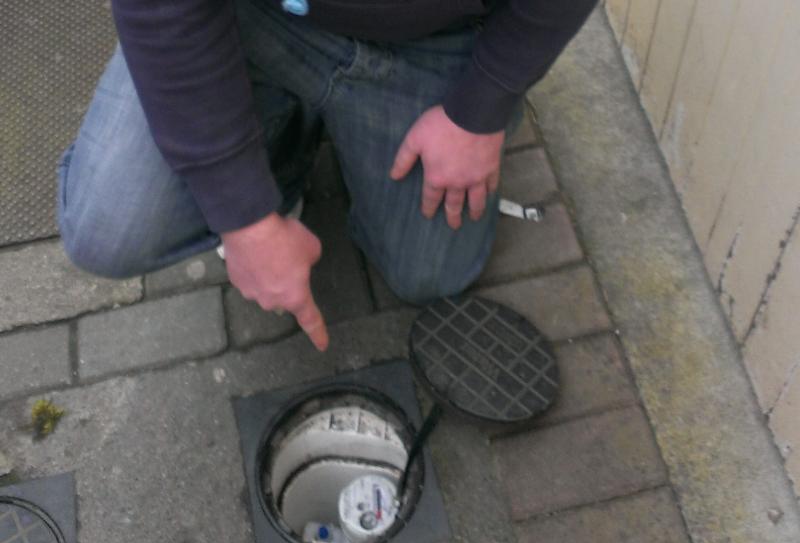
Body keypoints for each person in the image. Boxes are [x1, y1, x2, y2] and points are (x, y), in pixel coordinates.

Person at [58, 0, 596, 352]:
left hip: (435, 37)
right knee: (110, 229)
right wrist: (245, 216)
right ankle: (278, 151)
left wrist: (481, 104)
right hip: (252, 16)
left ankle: (315, 119)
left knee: (430, 277)